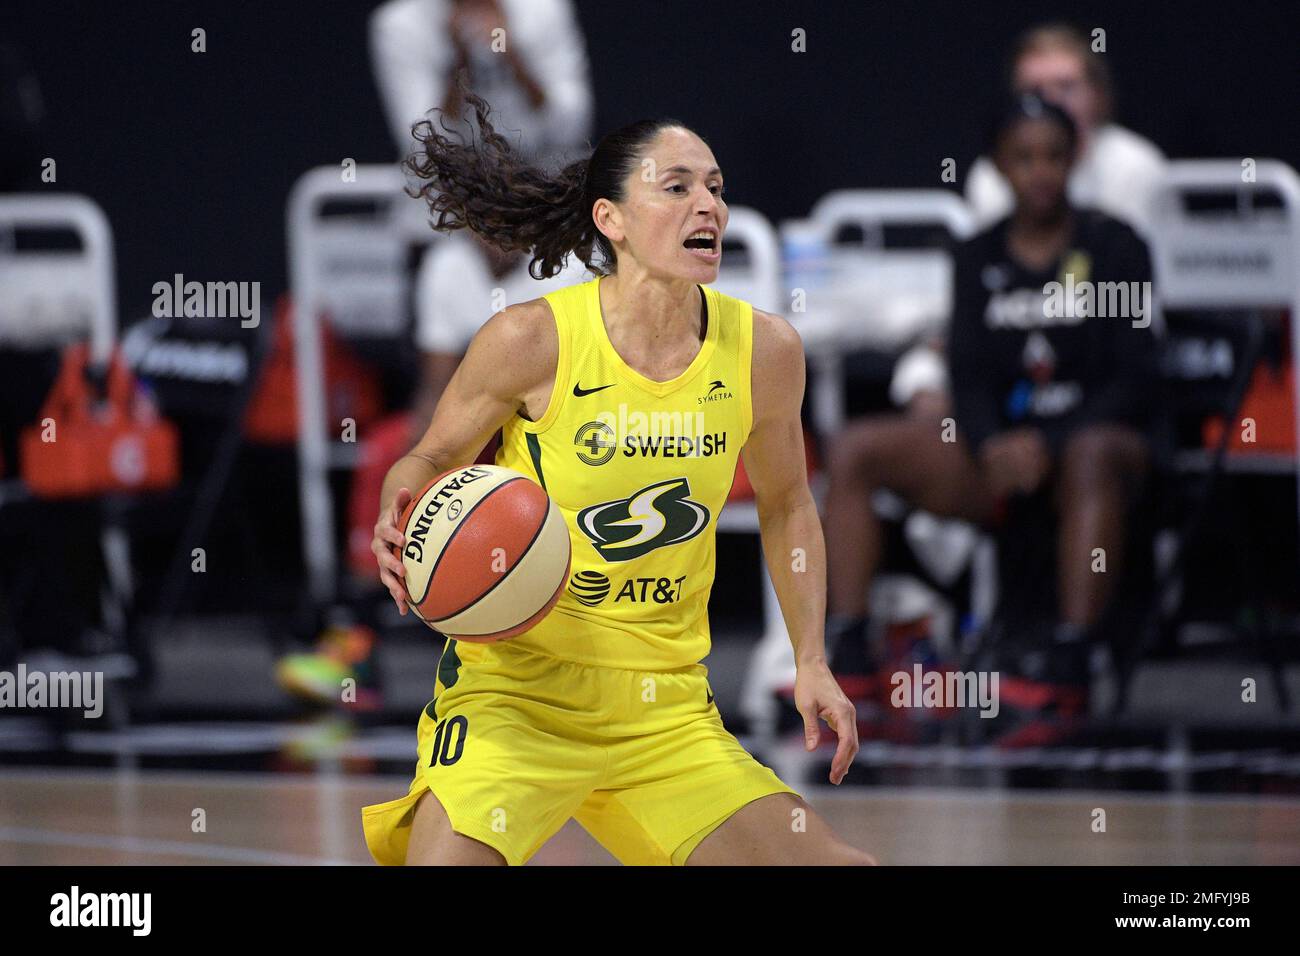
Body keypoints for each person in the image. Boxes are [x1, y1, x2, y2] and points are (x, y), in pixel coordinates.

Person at [361, 92, 873, 866]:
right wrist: (398, 508)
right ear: (612, 219)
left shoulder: (765, 352)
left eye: (716, 187)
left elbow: (787, 502)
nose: (709, 205)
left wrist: (809, 659)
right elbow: (430, 456)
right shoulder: (530, 340)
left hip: (662, 711)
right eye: (677, 187)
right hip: (514, 700)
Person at [276, 0, 595, 707]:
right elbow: (434, 393)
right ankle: (353, 639)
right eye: (482, 209)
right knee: (388, 444)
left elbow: (586, 385)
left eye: (509, 207)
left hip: (560, 434)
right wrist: (423, 450)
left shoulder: (577, 266)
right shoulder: (448, 270)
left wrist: (504, 53)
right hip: (480, 434)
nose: (492, 228)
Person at [823, 95, 1158, 728]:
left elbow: (1137, 376)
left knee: (1092, 453)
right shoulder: (977, 256)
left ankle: (1069, 659)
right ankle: (850, 648)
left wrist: (1050, 442)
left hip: (1095, 453)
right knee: (855, 448)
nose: (1040, 172)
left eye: (1054, 157)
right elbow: (969, 375)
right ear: (1000, 167)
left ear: (1074, 160)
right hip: (999, 453)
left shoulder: (1117, 247)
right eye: (1023, 158)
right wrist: (992, 442)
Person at [965, 23, 1166, 237]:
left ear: (1096, 94)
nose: (1052, 101)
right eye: (1035, 90)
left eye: (1066, 87)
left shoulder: (1136, 166)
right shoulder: (990, 176)